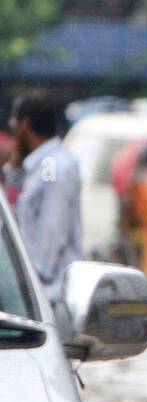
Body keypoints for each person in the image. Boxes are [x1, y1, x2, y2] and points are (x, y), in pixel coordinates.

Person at [4, 91, 83, 317]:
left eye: (14, 122)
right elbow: (16, 183)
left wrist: (30, 285)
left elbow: (51, 234)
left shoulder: (54, 168)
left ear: (24, 124)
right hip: (39, 296)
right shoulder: (41, 166)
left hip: (50, 296)